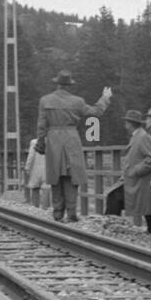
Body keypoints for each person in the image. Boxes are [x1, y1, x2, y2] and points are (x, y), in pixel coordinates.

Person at [35, 70, 112, 221]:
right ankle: (71, 213)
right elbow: (95, 112)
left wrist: (40, 142)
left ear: (57, 84)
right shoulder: (78, 101)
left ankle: (57, 212)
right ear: (69, 85)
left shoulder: (45, 100)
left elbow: (42, 125)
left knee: (55, 176)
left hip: (53, 139)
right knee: (72, 176)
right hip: (72, 139)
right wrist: (105, 98)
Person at [120, 109, 151, 232]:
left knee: (148, 208)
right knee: (146, 208)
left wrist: (136, 170)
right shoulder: (138, 136)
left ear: (130, 123)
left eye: (126, 122)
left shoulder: (142, 137)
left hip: (142, 180)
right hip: (137, 180)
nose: (124, 125)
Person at [23, 135, 47, 207]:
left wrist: (27, 167)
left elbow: (31, 156)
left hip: (35, 169)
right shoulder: (50, 141)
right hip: (47, 168)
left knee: (35, 187)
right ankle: (45, 207)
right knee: (46, 188)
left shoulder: (34, 142)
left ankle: (35, 206)